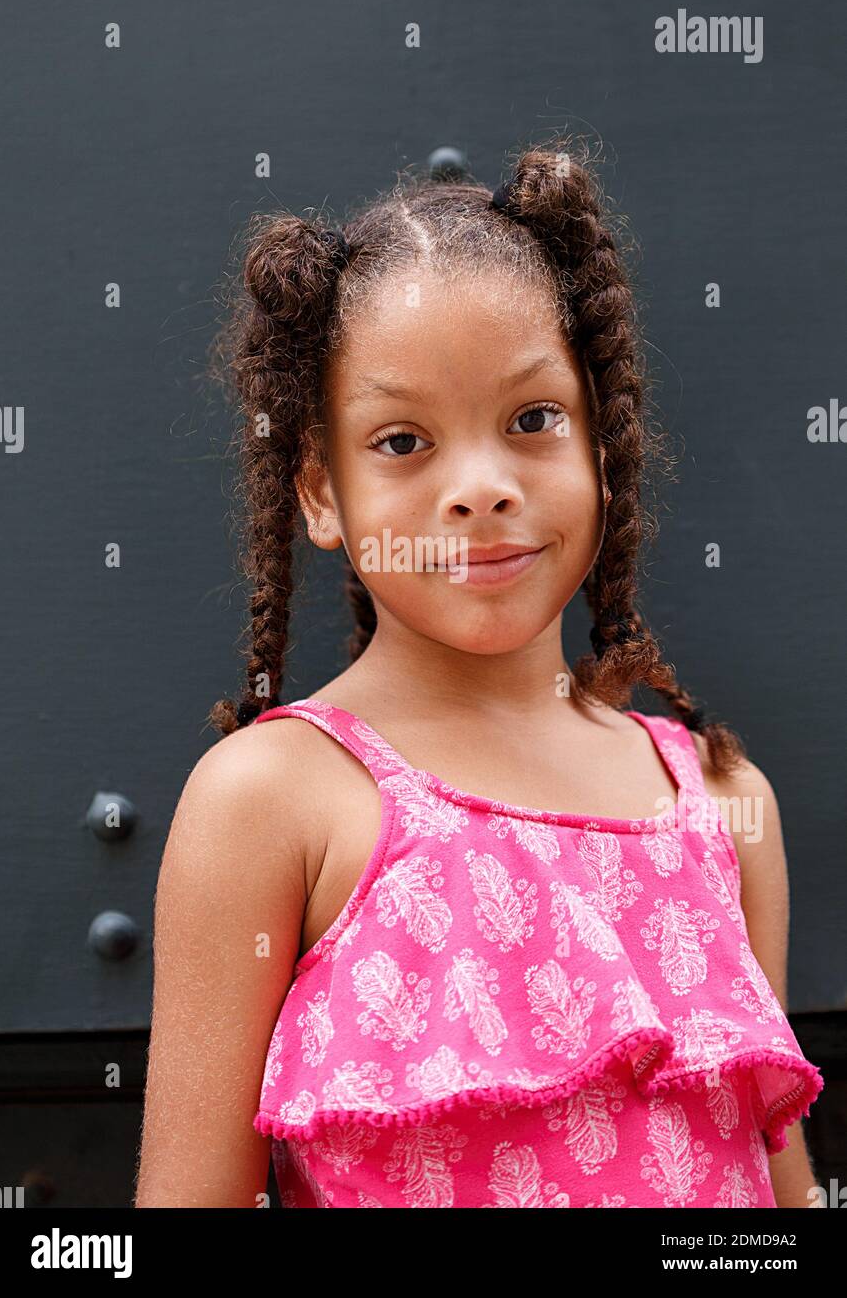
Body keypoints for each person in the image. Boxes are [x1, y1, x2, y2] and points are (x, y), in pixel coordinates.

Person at [134, 137, 823, 1208]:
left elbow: (771, 1187)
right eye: (402, 440)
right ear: (321, 493)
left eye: (532, 420)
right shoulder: (272, 801)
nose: (480, 486)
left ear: (604, 448)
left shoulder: (726, 806)